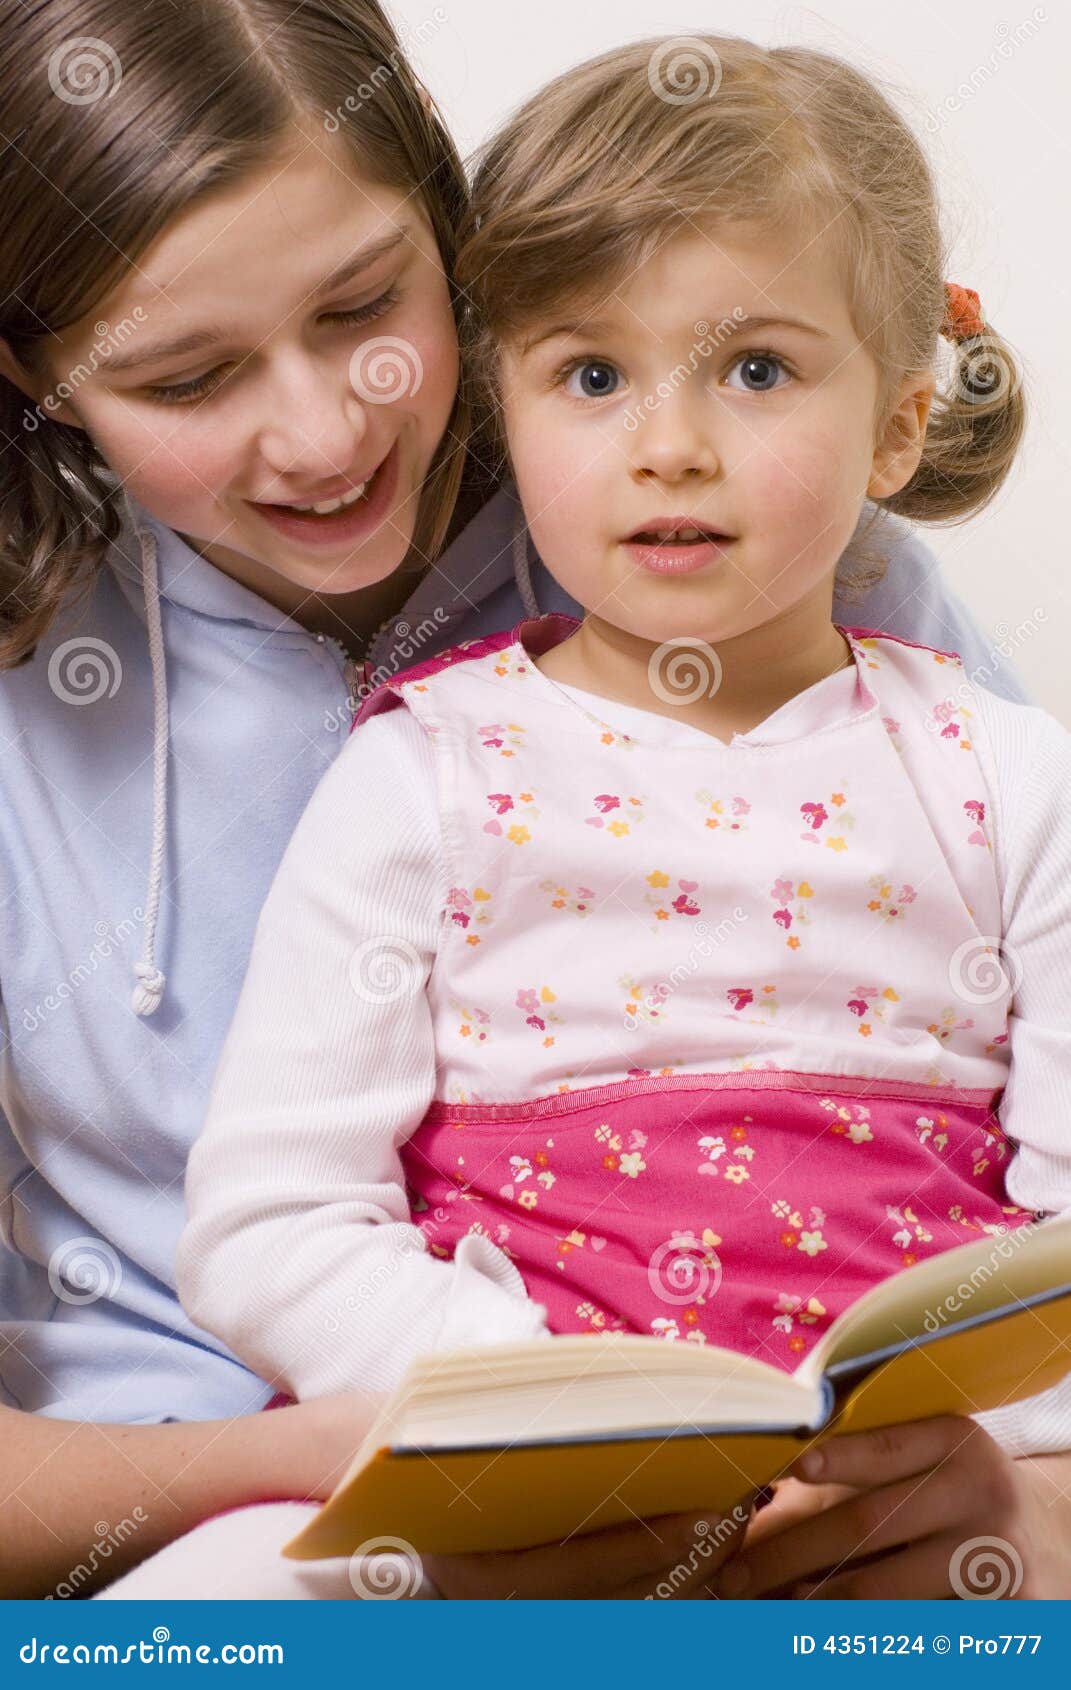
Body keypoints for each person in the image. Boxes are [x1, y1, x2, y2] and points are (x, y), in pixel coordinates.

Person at [0, 3, 1055, 1598]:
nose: (324, 432)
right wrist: (459, 1427)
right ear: (41, 375)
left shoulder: (845, 606)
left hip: (875, 1510)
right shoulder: (384, 761)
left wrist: (1035, 1510)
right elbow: (274, 1227)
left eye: (363, 305)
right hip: (335, 1500)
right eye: (189, 374)